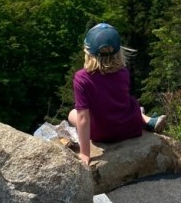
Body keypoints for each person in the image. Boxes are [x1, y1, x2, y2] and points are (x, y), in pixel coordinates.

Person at [68, 22, 166, 166]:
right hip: (129, 128)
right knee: (132, 103)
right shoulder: (123, 72)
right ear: (119, 51)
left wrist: (84, 153)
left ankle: (142, 116)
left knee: (73, 113)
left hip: (101, 134)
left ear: (88, 52)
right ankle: (143, 118)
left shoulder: (82, 78)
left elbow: (83, 118)